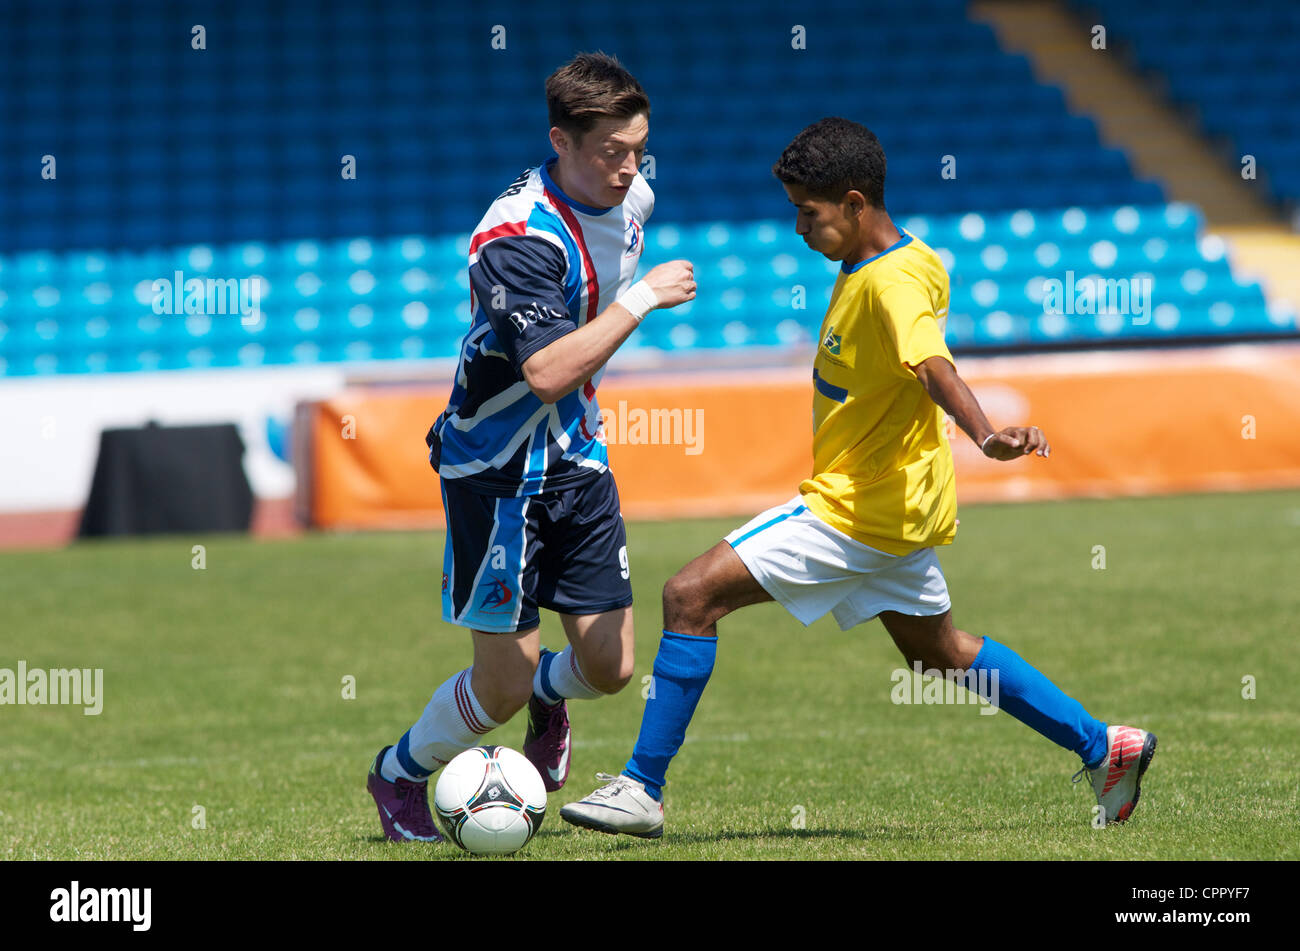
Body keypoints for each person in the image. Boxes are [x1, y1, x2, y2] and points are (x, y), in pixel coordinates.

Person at [561, 117, 1156, 839]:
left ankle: (641, 789)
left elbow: (933, 365)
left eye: (807, 213)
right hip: (903, 504)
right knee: (939, 651)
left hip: (858, 507)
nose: (798, 228)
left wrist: (986, 434)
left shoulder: (893, 283)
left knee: (689, 595)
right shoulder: (901, 261)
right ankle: (1106, 747)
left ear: (853, 202)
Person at [366, 51, 696, 842]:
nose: (627, 170)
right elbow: (547, 370)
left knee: (613, 669)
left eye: (637, 150)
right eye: (610, 153)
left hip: (578, 460)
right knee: (500, 683)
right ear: (562, 142)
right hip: (496, 470)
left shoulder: (633, 192)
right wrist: (645, 298)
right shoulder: (514, 239)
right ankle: (398, 772)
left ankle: (554, 691)